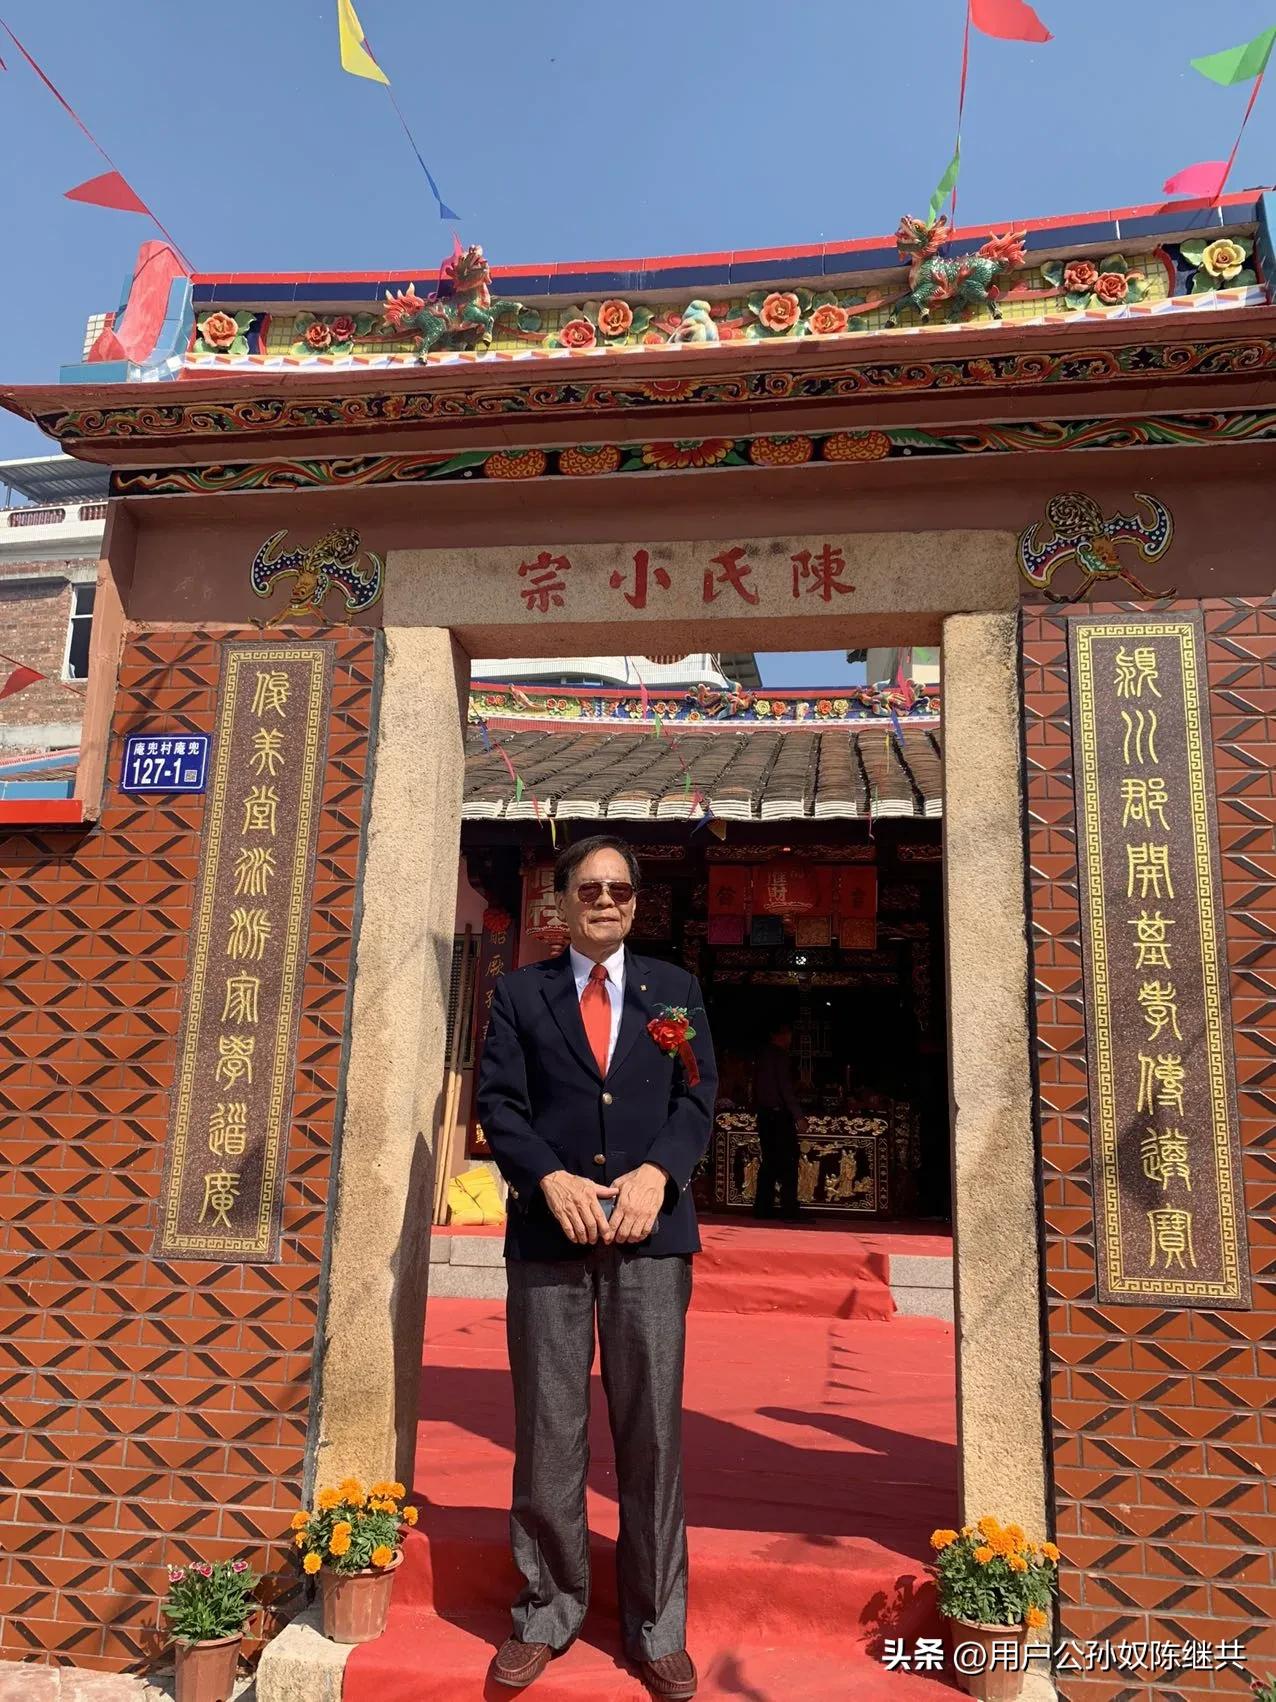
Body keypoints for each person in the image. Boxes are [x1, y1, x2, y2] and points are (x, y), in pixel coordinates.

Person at [477, 834, 717, 1699]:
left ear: (636, 903)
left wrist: (660, 1173)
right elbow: (499, 1103)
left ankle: (657, 1625)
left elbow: (698, 1097)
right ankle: (547, 1608)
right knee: (548, 1426)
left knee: (652, 1431)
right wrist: (548, 1177)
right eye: (589, 889)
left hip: (651, 1239)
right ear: (561, 903)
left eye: (619, 889)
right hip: (551, 1238)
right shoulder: (520, 993)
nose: (605, 901)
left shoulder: (674, 990)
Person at [751, 1019, 806, 1219]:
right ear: (781, 1036)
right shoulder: (779, 1056)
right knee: (788, 1162)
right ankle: (789, 1208)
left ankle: (763, 1207)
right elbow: (785, 1088)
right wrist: (798, 1116)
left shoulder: (762, 1055)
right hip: (778, 1116)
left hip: (765, 1115)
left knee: (769, 1162)